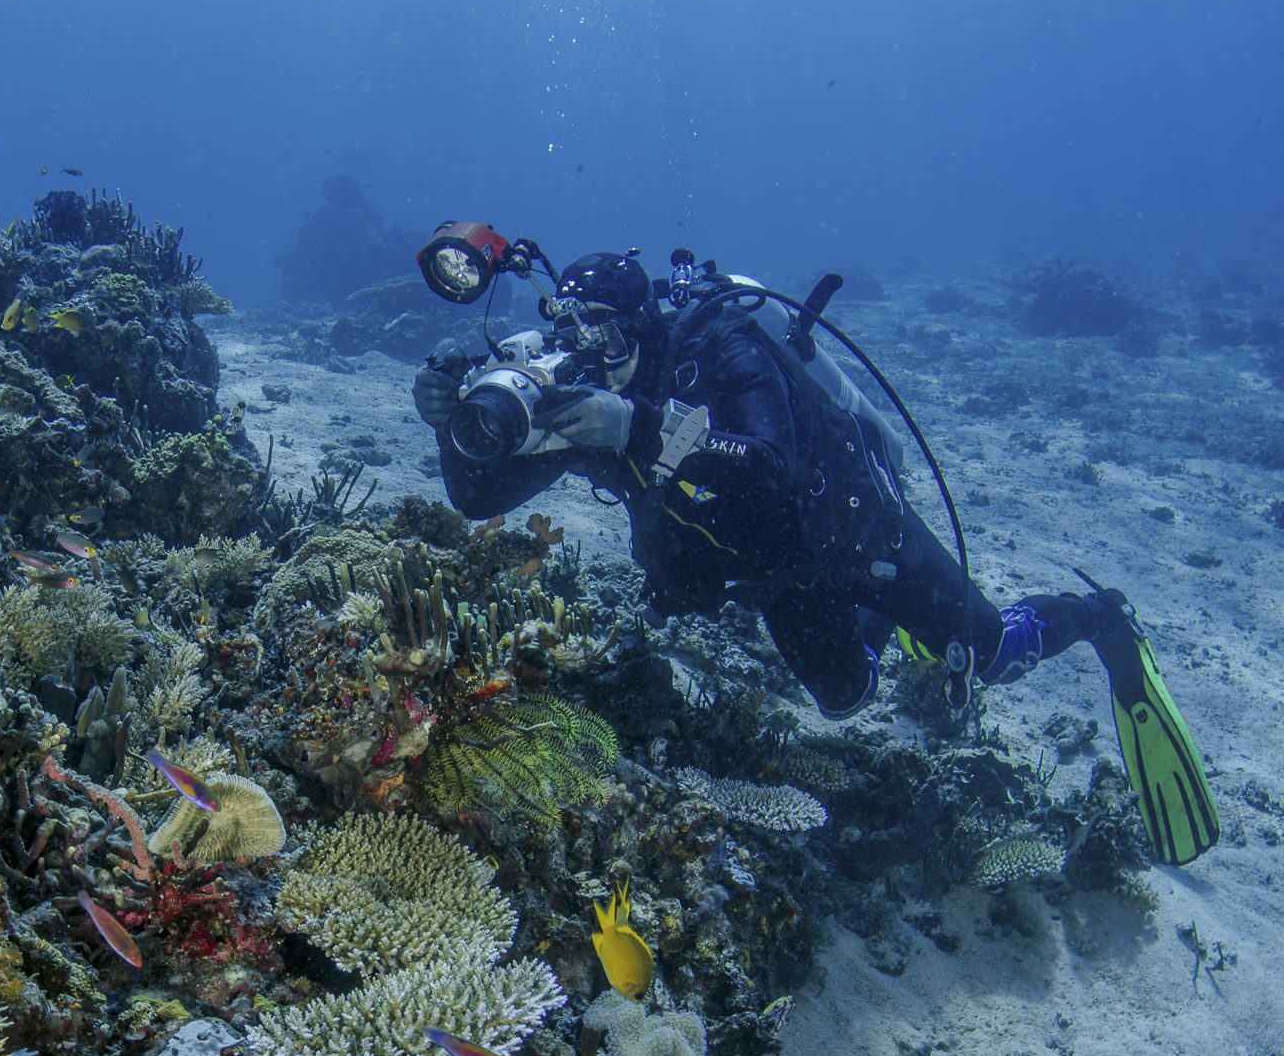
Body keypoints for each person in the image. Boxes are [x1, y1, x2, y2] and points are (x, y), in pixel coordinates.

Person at [411, 250, 1220, 865]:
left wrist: (640, 426)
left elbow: (773, 465)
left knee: (994, 654)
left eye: (612, 339)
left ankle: (1103, 618)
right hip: (776, 575)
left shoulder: (720, 351)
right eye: (581, 342)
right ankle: (886, 631)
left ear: (646, 328)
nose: (596, 359)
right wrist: (453, 425)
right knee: (845, 696)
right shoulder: (592, 401)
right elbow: (478, 498)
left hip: (861, 537)